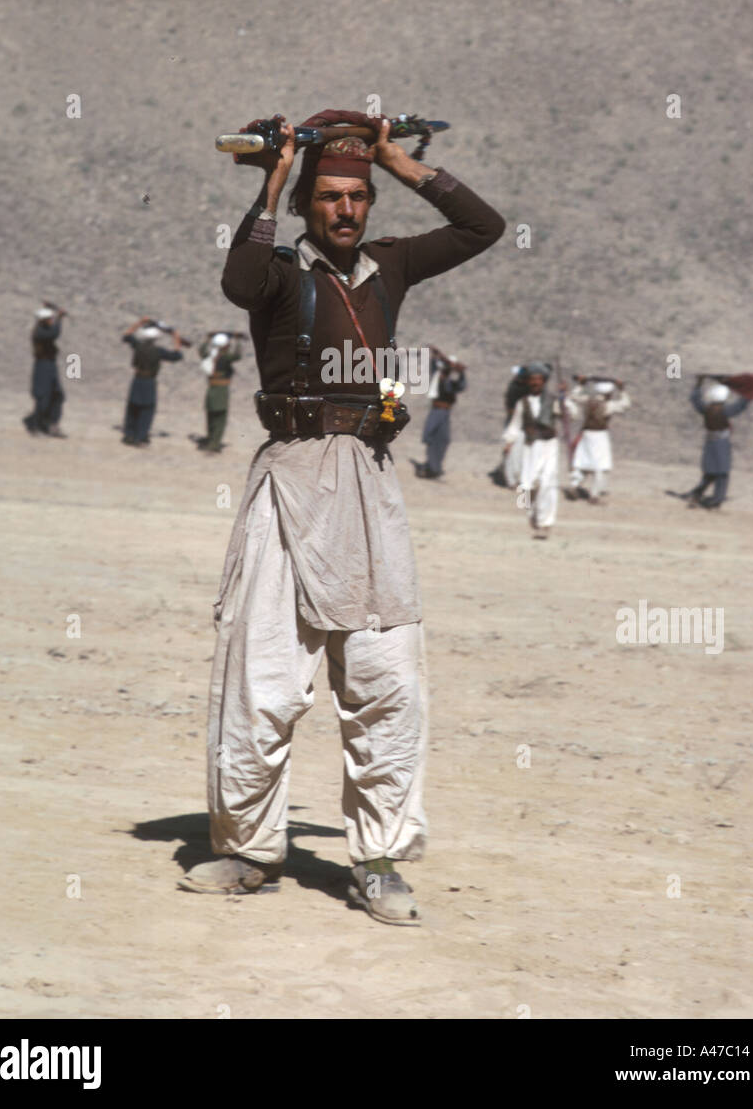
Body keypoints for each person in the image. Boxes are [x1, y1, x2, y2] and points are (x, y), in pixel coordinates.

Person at [179, 108, 505, 923]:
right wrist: (274, 176)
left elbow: (482, 226)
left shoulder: (392, 268)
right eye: (330, 196)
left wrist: (398, 160)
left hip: (367, 484)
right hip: (290, 483)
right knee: (262, 681)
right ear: (308, 204)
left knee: (386, 683)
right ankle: (249, 851)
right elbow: (237, 284)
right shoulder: (283, 275)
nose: (347, 210)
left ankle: (381, 860)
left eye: (358, 196)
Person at [513, 361, 564, 539]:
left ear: (543, 382)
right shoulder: (523, 402)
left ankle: (545, 523)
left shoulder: (552, 400)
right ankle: (528, 515)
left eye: (539, 380)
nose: (535, 383)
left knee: (547, 482)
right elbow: (515, 426)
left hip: (548, 446)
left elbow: (570, 414)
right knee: (525, 485)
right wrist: (508, 444)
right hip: (529, 447)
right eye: (532, 380)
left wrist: (565, 398)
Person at [686, 376, 751, 509]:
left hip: (710, 443)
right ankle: (716, 500)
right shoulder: (725, 410)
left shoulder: (706, 409)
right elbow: (741, 405)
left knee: (709, 473)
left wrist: (698, 384)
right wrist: (748, 392)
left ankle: (697, 494)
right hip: (721, 443)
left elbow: (695, 400)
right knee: (722, 473)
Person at [565, 376, 630, 504]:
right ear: (609, 393)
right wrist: (622, 390)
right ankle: (594, 495)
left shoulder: (587, 400)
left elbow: (572, 397)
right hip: (600, 436)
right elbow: (625, 404)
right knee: (601, 465)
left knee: (582, 462)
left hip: (586, 434)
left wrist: (580, 385)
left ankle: (574, 486)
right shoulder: (609, 405)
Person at [122, 317, 183, 446]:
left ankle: (129, 434)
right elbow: (177, 356)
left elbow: (126, 336)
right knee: (147, 409)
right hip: (149, 382)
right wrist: (175, 336)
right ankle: (140, 436)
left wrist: (140, 322)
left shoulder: (137, 345)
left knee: (133, 407)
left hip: (137, 380)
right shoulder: (158, 351)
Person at [415, 349, 465, 479]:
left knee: (443, 440)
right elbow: (434, 363)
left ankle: (435, 467)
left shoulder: (452, 380)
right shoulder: (438, 375)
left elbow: (461, 386)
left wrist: (461, 372)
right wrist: (438, 355)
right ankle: (431, 467)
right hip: (437, 411)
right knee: (431, 437)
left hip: (446, 413)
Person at [24, 306, 67, 437]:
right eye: (49, 319)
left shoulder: (43, 329)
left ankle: (51, 423)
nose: (51, 321)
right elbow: (54, 334)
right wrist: (60, 318)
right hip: (42, 366)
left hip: (50, 365)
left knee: (57, 395)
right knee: (42, 397)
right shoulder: (40, 332)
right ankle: (36, 426)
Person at [197, 331, 242, 452]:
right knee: (220, 419)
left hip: (211, 390)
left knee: (211, 417)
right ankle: (214, 444)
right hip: (221, 391)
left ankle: (210, 439)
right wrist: (237, 341)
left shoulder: (211, 356)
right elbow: (237, 356)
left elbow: (201, 351)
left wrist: (208, 338)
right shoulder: (225, 357)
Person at [500, 363, 528, 489]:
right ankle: (511, 479)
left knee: (522, 452)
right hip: (515, 421)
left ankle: (518, 478)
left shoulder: (520, 386)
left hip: (523, 423)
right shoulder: (516, 387)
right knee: (511, 449)